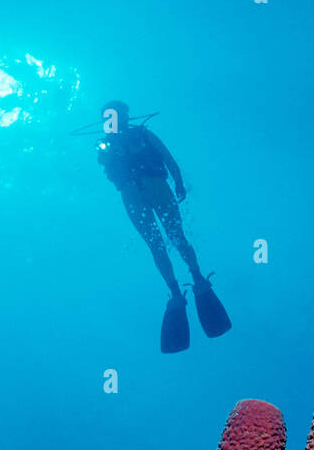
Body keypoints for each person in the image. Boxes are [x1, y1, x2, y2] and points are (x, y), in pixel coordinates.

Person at [97, 100, 231, 353]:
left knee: (174, 237)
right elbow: (106, 165)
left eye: (117, 114)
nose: (115, 119)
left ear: (125, 115)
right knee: (156, 245)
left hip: (153, 186)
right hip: (132, 193)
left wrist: (178, 182)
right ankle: (178, 288)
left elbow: (167, 157)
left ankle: (194, 278)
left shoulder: (143, 134)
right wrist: (109, 151)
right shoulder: (107, 145)